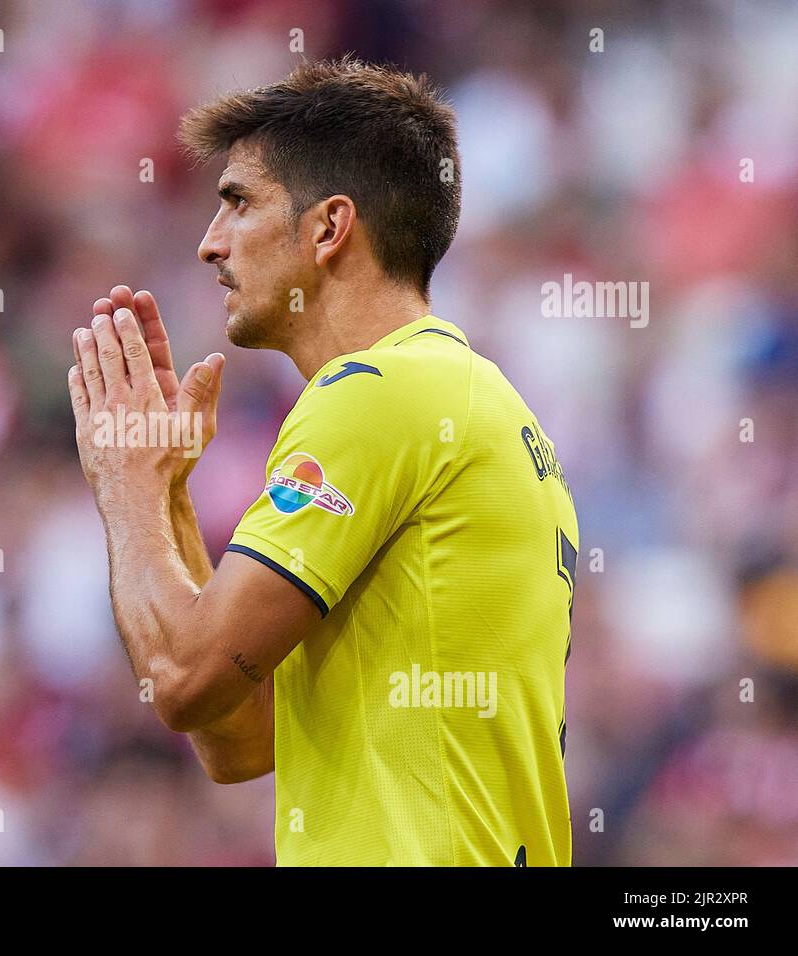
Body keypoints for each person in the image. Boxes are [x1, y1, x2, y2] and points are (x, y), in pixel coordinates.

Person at [67, 57, 577, 866]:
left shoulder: (378, 394)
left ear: (330, 227)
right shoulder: (465, 403)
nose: (210, 244)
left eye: (238, 203)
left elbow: (182, 677)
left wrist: (123, 484)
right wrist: (165, 497)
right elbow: (238, 740)